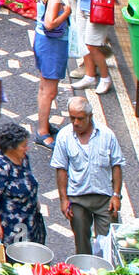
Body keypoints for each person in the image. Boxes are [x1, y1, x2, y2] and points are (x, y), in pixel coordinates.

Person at [52, 97, 124, 255]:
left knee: (107, 244)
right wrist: (64, 199)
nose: (76, 123)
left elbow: (116, 165)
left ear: (90, 116)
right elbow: (61, 169)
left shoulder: (107, 135)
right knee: (82, 243)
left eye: (80, 118)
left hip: (104, 199)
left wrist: (116, 195)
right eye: (72, 118)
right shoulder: (64, 137)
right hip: (77, 199)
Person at [0, 123, 46, 245]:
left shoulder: (24, 159)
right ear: (11, 148)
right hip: (11, 228)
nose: (26, 148)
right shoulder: (1, 166)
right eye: (23, 146)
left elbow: (29, 181)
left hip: (29, 222)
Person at [32, 0, 72, 147]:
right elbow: (49, 24)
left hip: (43, 42)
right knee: (49, 91)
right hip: (52, 46)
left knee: (44, 88)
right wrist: (67, 13)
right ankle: (43, 132)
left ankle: (44, 124)